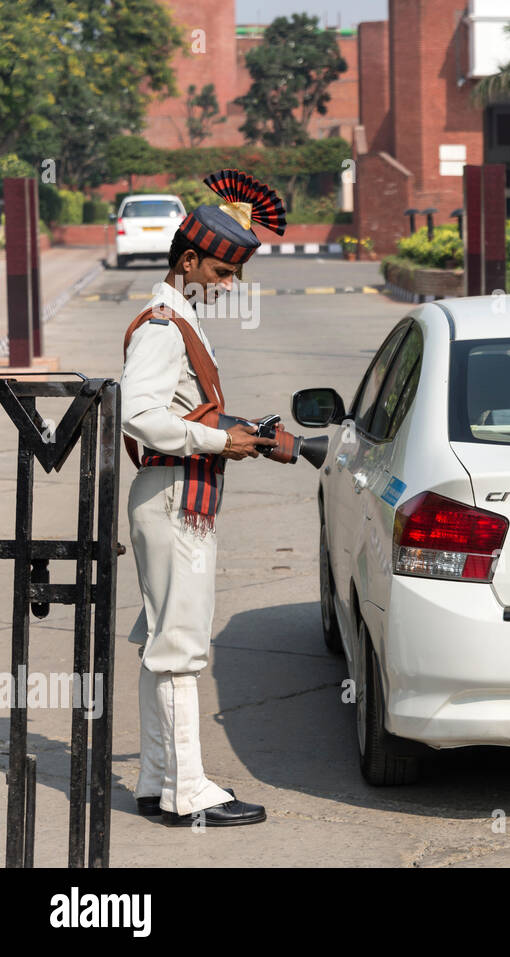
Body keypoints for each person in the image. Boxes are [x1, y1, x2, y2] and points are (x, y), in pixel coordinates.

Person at [120, 169, 285, 827]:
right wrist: (221, 442)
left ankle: (157, 777)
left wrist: (241, 432)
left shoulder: (176, 314)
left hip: (172, 493)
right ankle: (188, 791)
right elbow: (140, 413)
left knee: (162, 638)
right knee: (180, 645)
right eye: (221, 272)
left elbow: (184, 410)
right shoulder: (165, 322)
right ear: (189, 261)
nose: (229, 285)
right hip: (171, 496)